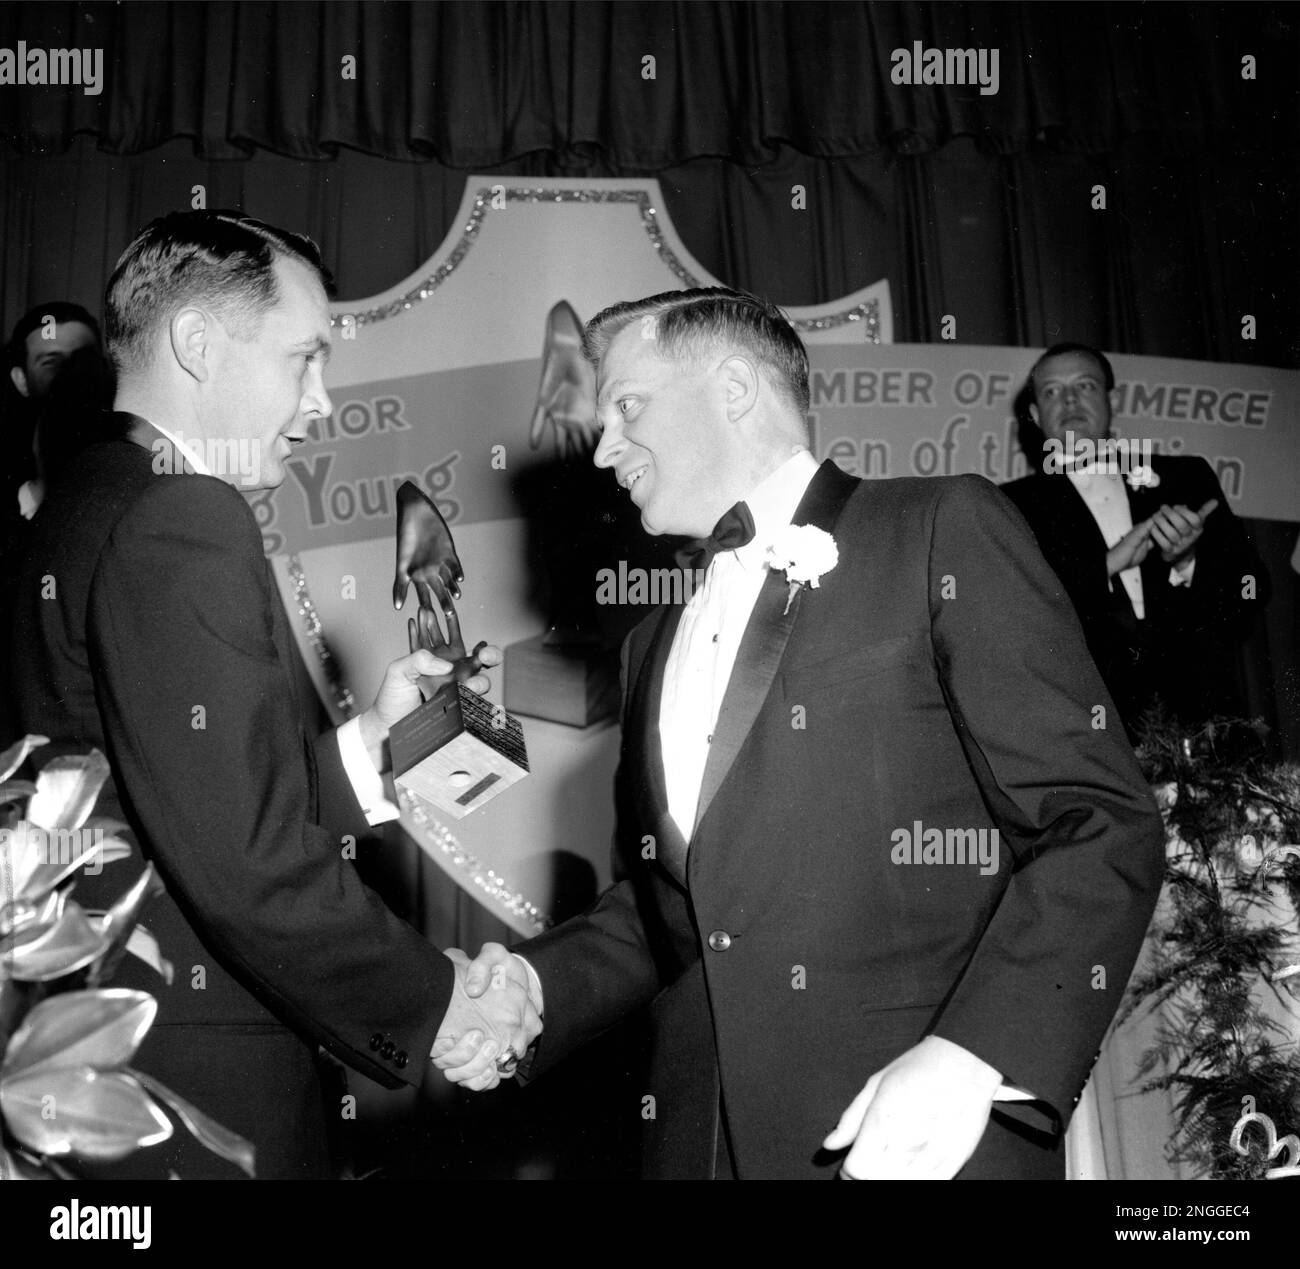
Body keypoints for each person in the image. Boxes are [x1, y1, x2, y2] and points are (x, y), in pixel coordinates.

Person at [441, 288, 1167, 1180]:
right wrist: (537, 985)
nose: (603, 447)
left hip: (909, 1140)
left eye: (627, 406)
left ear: (735, 385)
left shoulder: (939, 528)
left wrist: (979, 1055)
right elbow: (675, 907)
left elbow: (1097, 820)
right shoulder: (645, 645)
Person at [9, 211, 538, 1178]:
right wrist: (441, 1001)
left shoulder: (85, 499)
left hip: (102, 1076)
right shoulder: (182, 513)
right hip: (194, 1099)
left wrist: (378, 740)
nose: (323, 399)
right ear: (199, 345)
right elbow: (249, 867)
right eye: (304, 359)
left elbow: (180, 802)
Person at [1003, 343, 1269, 741]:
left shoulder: (1186, 476)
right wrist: (1106, 566)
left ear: (1112, 401)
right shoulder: (1010, 505)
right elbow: (1014, 622)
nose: (1070, 399)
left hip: (1203, 730)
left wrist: (1187, 561)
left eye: (1085, 385)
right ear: (1036, 415)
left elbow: (1250, 593)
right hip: (1087, 738)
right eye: (1053, 391)